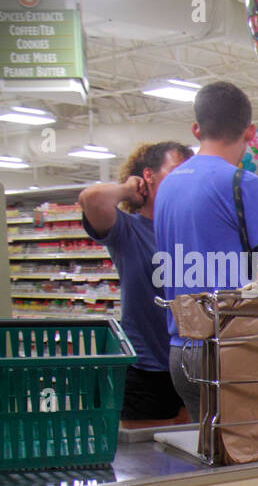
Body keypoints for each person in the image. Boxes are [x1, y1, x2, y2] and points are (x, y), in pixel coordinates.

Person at [153, 81, 258, 421]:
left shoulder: (167, 186)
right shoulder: (244, 184)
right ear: (250, 132)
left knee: (211, 460)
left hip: (181, 352)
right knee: (249, 464)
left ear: (196, 128)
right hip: (233, 350)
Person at [78, 141, 193, 427]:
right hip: (146, 369)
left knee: (194, 460)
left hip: (193, 366)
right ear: (148, 176)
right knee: (149, 462)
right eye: (176, 171)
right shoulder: (127, 230)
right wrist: (130, 189)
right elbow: (92, 199)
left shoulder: (190, 230)